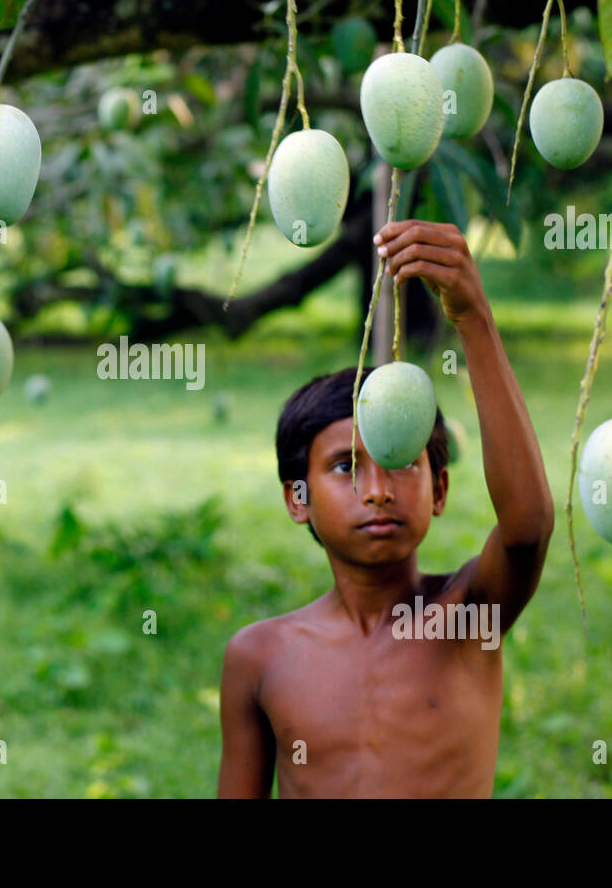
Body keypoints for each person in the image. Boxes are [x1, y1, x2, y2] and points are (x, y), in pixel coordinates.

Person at [217, 220, 555, 798]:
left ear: (440, 490)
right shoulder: (260, 656)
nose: (377, 489)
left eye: (402, 461)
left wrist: (473, 318)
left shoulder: (469, 618)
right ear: (297, 499)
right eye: (346, 466)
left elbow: (526, 530)